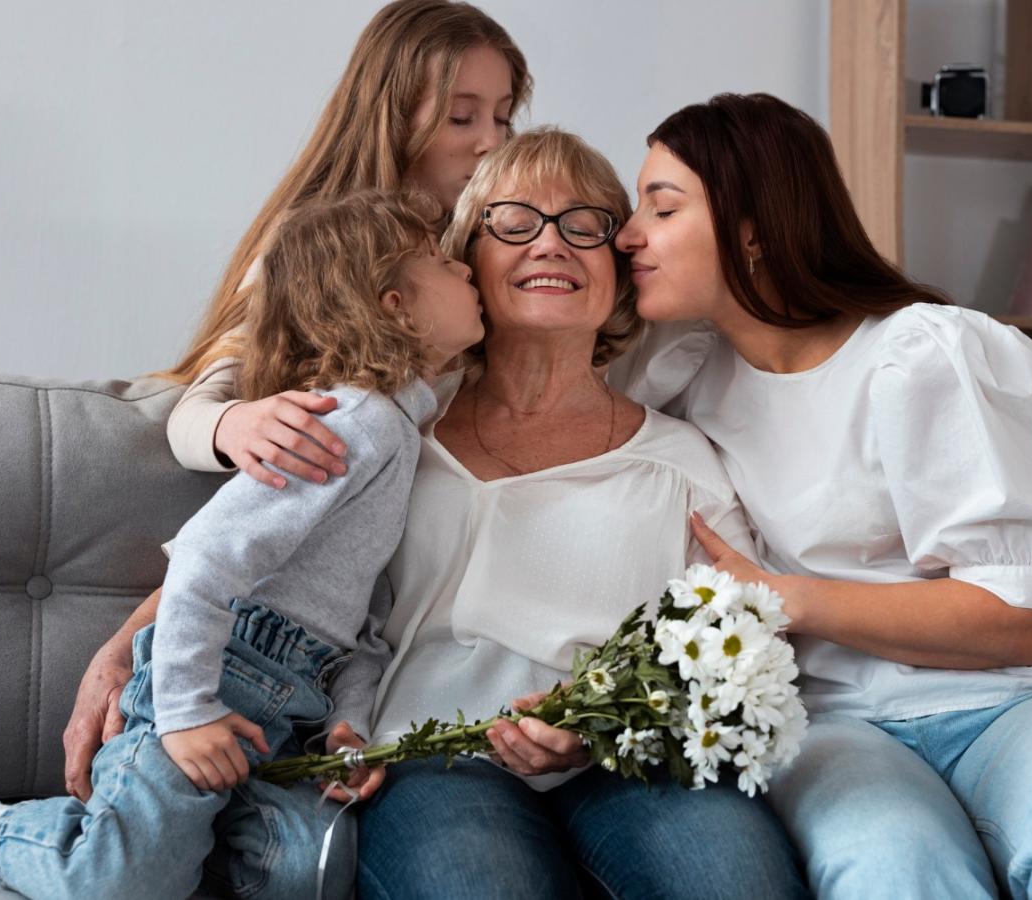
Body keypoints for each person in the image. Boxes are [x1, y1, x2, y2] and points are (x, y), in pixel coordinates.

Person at [608, 92, 1032, 898]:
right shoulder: (687, 373)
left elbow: (1017, 621)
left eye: (661, 207)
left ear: (753, 230)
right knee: (891, 863)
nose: (630, 233)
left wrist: (782, 599)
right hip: (838, 725)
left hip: (1012, 706)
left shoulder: (923, 355)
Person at [62, 0, 530, 801]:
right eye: (462, 116)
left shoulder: (483, 263)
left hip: (370, 636)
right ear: (393, 116)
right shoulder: (316, 255)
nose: (490, 139)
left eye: (503, 115)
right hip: (268, 627)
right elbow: (206, 434)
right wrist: (239, 422)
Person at [0, 189, 485, 898]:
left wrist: (348, 725)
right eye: (438, 260)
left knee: (309, 871)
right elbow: (208, 556)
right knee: (117, 882)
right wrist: (184, 716)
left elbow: (370, 616)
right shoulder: (349, 420)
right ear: (394, 303)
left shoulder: (399, 433)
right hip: (216, 677)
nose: (463, 270)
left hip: (294, 710)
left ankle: (177, 833)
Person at [343, 127, 807, 899]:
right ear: (467, 262)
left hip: (633, 760)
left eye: (584, 225)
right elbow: (278, 553)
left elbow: (745, 645)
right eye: (515, 222)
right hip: (436, 755)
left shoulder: (681, 460)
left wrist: (593, 732)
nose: (550, 245)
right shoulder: (396, 432)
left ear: (618, 274)